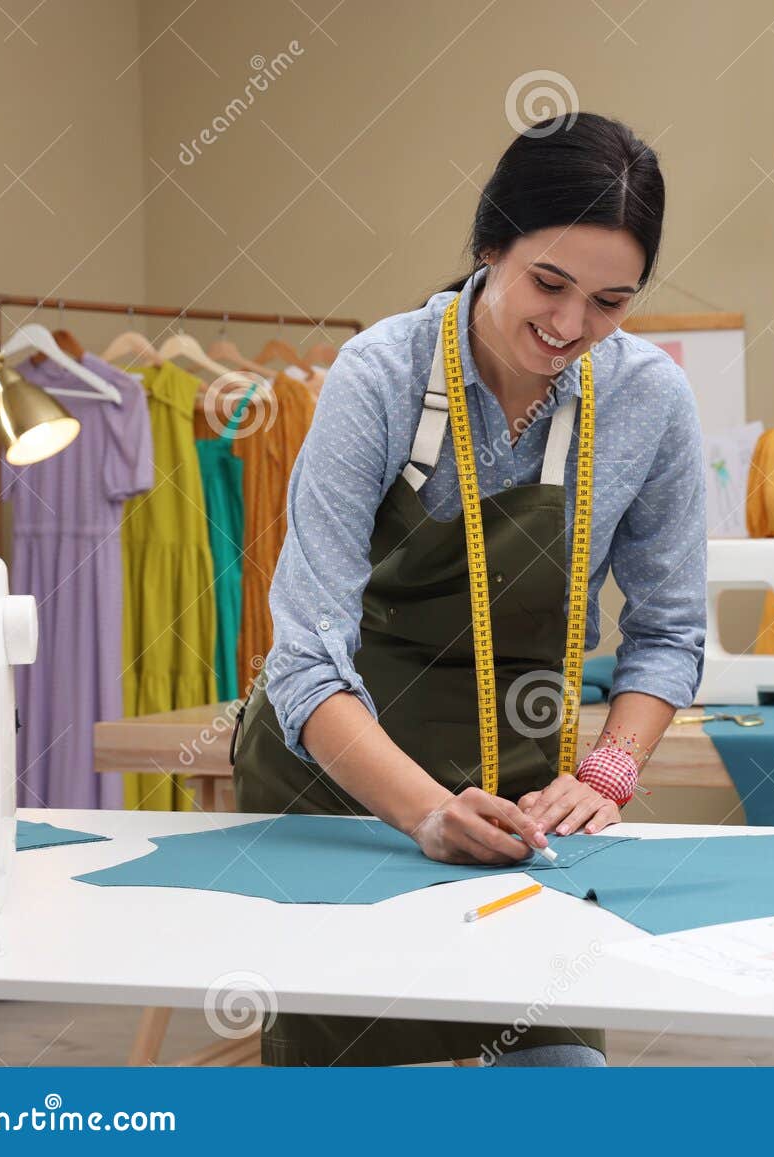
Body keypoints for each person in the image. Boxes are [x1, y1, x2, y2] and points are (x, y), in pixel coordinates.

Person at [230, 112, 707, 1067]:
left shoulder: (650, 401)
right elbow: (306, 659)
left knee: (552, 1072)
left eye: (611, 301)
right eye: (548, 283)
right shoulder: (381, 375)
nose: (570, 327)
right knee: (349, 1086)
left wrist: (609, 771)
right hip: (343, 789)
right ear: (490, 244)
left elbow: (669, 631)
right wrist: (418, 810)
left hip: (516, 799)